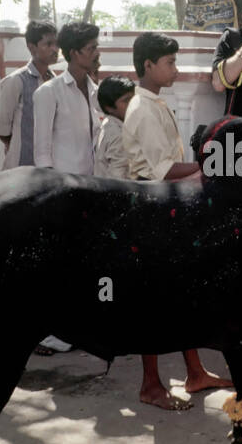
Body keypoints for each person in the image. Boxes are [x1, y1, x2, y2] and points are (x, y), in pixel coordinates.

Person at [121, 32, 231, 409]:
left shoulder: (154, 103)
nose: (175, 68)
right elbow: (165, 169)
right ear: (148, 65)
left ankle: (196, 372)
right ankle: (151, 384)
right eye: (169, 62)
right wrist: (210, 167)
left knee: (182, 295)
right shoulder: (143, 109)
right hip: (152, 212)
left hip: (169, 209)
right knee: (155, 302)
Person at [32, 22, 101, 174]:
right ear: (74, 53)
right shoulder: (49, 91)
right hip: (63, 184)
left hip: (93, 182)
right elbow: (42, 152)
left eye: (97, 47)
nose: (97, 53)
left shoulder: (95, 91)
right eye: (91, 48)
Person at [0, 20, 57, 168]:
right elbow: (2, 129)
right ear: (31, 47)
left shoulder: (55, 81)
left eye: (57, 44)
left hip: (50, 168)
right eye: (48, 44)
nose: (55, 49)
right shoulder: (16, 81)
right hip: (20, 168)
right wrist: (20, 145)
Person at [93, 75, 135, 180]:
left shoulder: (108, 124)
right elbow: (117, 180)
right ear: (110, 108)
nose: (133, 103)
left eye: (134, 98)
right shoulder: (119, 135)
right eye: (126, 100)